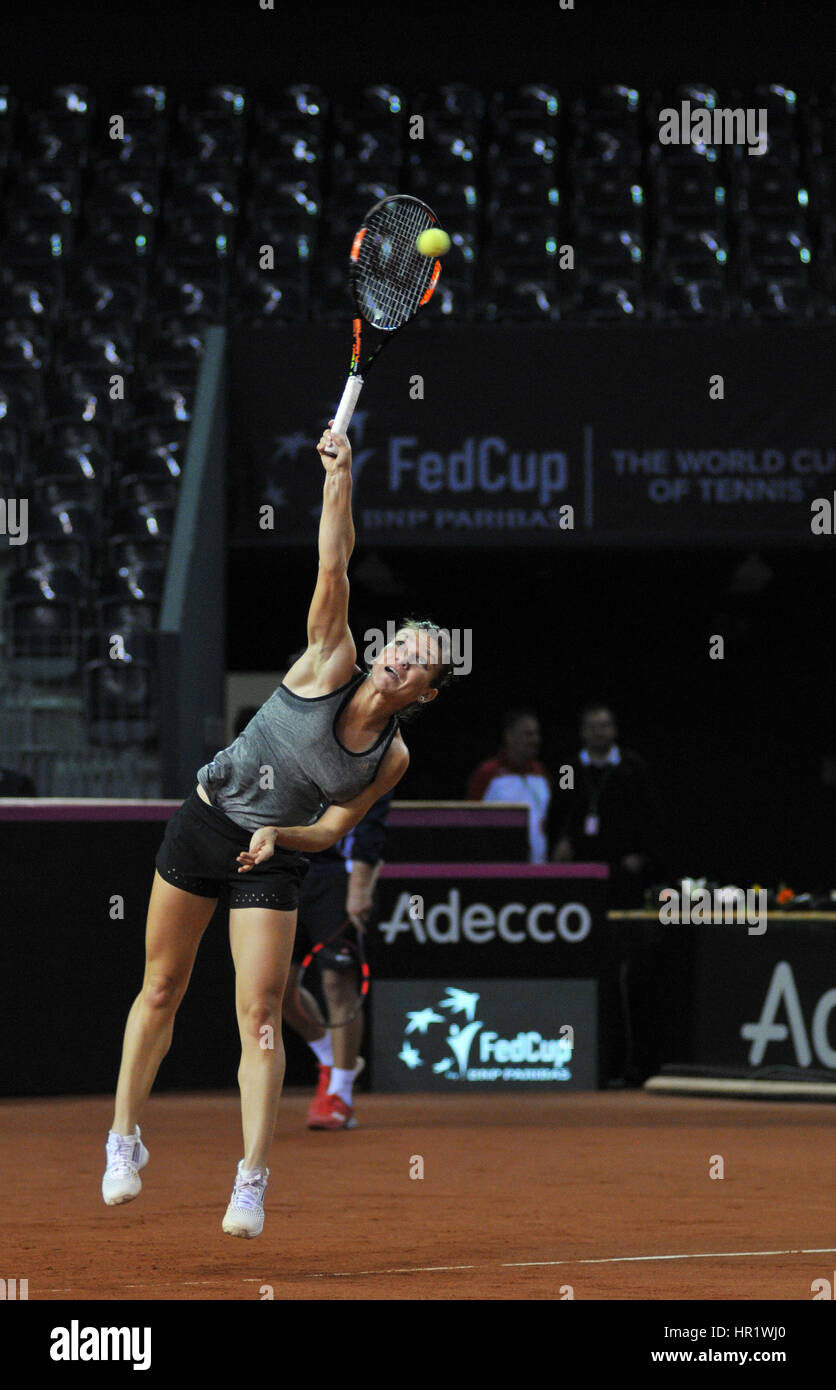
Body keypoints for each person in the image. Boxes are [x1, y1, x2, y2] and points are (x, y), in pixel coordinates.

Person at [102, 422, 454, 1238]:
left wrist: (282, 841)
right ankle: (125, 1139)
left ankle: (251, 1178)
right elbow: (333, 560)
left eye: (420, 661)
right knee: (161, 987)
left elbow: (332, 827)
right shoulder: (329, 655)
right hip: (206, 821)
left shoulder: (389, 760)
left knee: (260, 1013)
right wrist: (339, 478)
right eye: (400, 644)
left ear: (426, 691)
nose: (401, 658)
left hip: (275, 857)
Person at [282, 786, 393, 1131]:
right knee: (277, 989)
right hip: (285, 868)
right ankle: (333, 1059)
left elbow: (372, 812)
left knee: (336, 982)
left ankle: (341, 1094)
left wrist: (360, 884)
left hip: (337, 875)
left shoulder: (370, 748)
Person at [551, 705, 664, 907]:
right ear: (582, 732)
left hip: (623, 867)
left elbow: (650, 813)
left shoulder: (633, 766)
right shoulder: (568, 769)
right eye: (592, 727)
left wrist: (642, 855)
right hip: (580, 864)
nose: (598, 732)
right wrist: (561, 841)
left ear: (614, 730)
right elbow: (559, 808)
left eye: (603, 726)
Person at [466, 709, 551, 863]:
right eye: (528, 734)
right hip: (498, 868)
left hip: (540, 867)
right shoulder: (487, 773)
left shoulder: (541, 773)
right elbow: (469, 822)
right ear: (510, 736)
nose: (535, 739)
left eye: (537, 734)